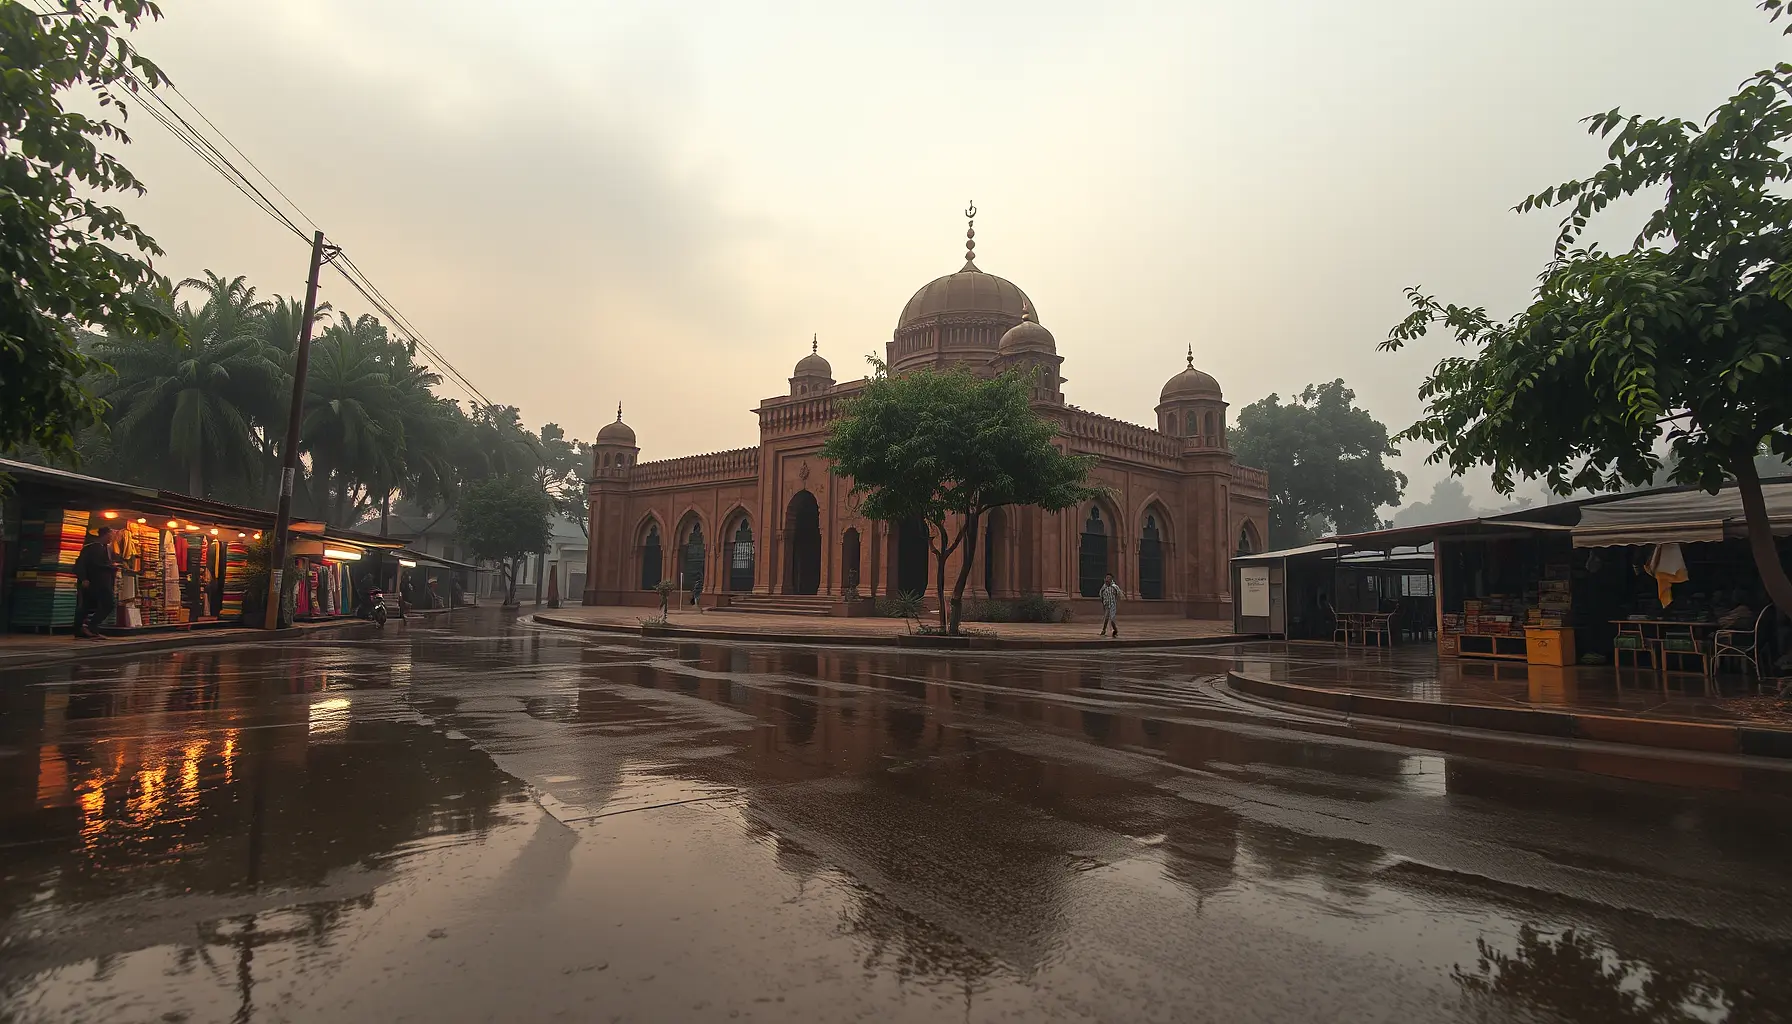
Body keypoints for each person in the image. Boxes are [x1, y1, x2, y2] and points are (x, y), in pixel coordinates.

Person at [73, 525, 119, 639]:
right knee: (108, 604)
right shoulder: (91, 548)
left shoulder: (105, 549)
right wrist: (84, 578)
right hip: (96, 583)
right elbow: (82, 564)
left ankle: (84, 629)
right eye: (110, 535)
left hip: (102, 582)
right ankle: (89, 627)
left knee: (88, 606)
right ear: (105, 535)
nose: (111, 538)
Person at [1098, 573, 1122, 638]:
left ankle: (1115, 630)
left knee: (1112, 619)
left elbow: (1119, 594)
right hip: (1106, 605)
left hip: (1112, 605)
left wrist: (1117, 599)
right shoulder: (1103, 587)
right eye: (1107, 578)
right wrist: (1103, 602)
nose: (1107, 579)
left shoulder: (1114, 587)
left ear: (1111, 579)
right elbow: (1101, 595)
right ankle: (1103, 630)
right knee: (1106, 618)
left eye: (1109, 578)